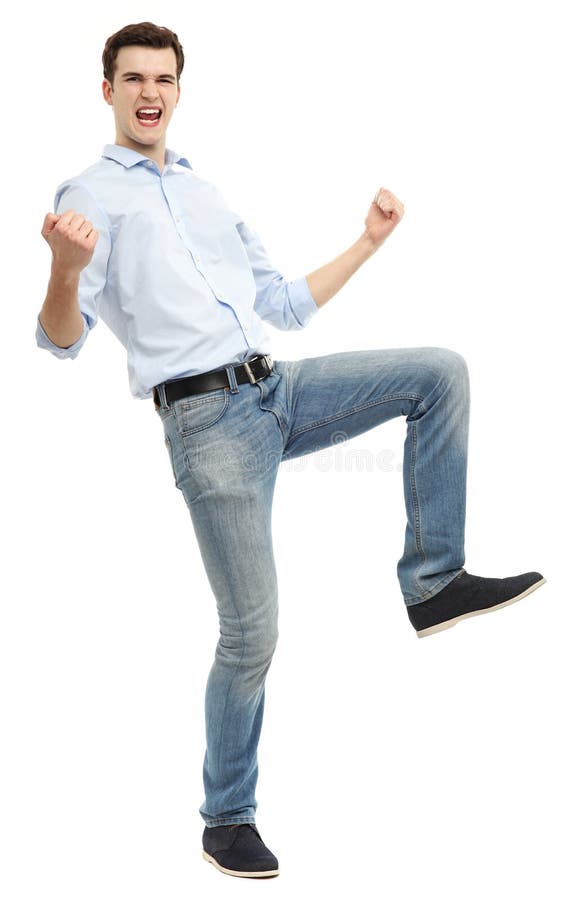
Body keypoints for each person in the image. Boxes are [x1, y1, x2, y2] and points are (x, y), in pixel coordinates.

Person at [35, 21, 546, 880]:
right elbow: (60, 340)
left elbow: (282, 303)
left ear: (178, 90)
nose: (149, 92)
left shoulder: (203, 192)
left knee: (439, 374)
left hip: (279, 388)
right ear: (108, 91)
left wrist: (368, 243)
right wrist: (59, 266)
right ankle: (225, 818)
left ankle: (434, 580)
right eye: (133, 79)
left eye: (163, 77)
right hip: (207, 428)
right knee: (253, 634)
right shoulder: (88, 197)